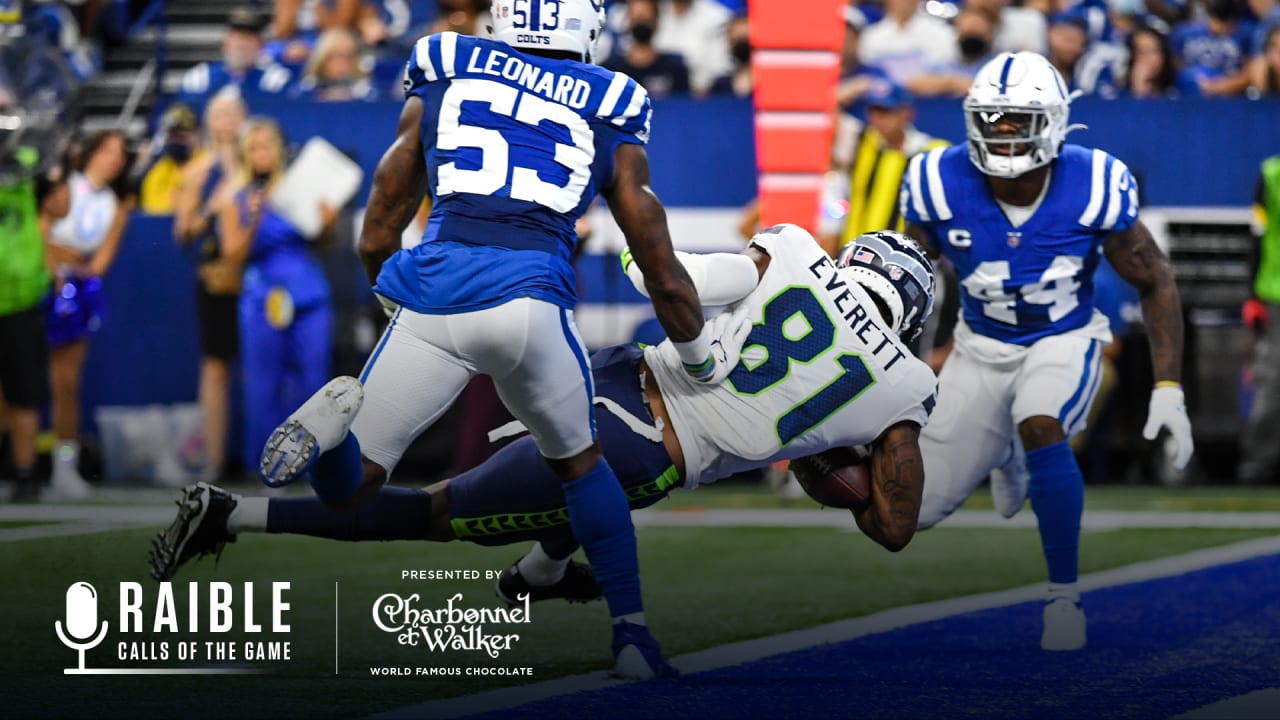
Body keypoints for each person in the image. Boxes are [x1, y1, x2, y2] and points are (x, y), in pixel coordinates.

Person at [252, 1, 736, 680]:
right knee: (582, 467)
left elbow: (385, 204)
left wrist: (390, 289)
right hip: (527, 302)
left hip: (434, 285)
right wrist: (697, 354)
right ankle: (631, 637)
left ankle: (330, 439)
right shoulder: (612, 97)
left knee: (350, 487)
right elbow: (654, 252)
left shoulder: (447, 61)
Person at [152, 225, 938, 615]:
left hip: (619, 374)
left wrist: (647, 265)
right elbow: (894, 526)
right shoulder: (902, 385)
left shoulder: (797, 250)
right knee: (431, 513)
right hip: (645, 450)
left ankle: (539, 573)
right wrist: (814, 458)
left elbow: (688, 277)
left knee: (569, 486)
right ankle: (233, 514)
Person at [901, 52, 1193, 651]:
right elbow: (906, 275)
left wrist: (1169, 387)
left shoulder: (1094, 182)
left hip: (1063, 338)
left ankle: (1064, 598)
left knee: (1041, 418)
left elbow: (1156, 279)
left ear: (1056, 122)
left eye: (1018, 119)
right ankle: (1006, 450)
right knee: (914, 511)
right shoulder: (934, 180)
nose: (1004, 131)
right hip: (979, 349)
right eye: (994, 118)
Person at [219, 117, 336, 481]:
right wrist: (252, 218)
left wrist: (328, 223)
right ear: (243, 154)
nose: (261, 154)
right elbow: (232, 256)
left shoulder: (298, 192)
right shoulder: (234, 198)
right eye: (253, 147)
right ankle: (268, 467)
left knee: (313, 381)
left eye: (267, 145)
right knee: (263, 383)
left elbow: (323, 244)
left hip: (308, 293)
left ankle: (314, 467)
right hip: (261, 298)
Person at [45, 129, 134, 500]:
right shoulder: (64, 184)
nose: (114, 158)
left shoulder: (118, 204)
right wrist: (54, 267)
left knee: (67, 383)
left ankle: (63, 470)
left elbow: (100, 262)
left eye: (120, 153)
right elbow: (42, 229)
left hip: (77, 291)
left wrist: (71, 272)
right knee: (12, 384)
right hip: (40, 283)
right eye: (107, 150)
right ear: (91, 152)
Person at [174, 88, 248, 483]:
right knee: (216, 369)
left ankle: (259, 458)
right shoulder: (198, 170)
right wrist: (211, 209)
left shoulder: (258, 159)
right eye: (220, 114)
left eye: (234, 113)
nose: (228, 121)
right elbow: (182, 231)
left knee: (260, 369)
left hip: (256, 277)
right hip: (215, 279)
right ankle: (215, 460)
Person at [821, 82, 947, 255]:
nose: (879, 119)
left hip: (903, 261)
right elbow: (826, 107)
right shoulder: (863, 141)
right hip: (853, 255)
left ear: (906, 113)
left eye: (887, 112)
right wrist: (863, 84)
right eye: (874, 111)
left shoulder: (930, 152)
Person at [0, 110, 56, 501]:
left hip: (20, 297)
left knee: (25, 392)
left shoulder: (28, 161)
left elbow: (62, 205)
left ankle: (24, 472)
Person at [1239, 150, 1280, 483]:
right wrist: (1252, 296)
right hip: (1275, 293)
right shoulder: (1271, 174)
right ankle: (1259, 461)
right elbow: (1256, 235)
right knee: (1272, 380)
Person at [176, 7, 293, 114]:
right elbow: (186, 120)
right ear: (225, 42)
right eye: (237, 37)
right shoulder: (200, 77)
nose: (242, 45)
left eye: (249, 38)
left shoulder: (276, 79)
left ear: (261, 46)